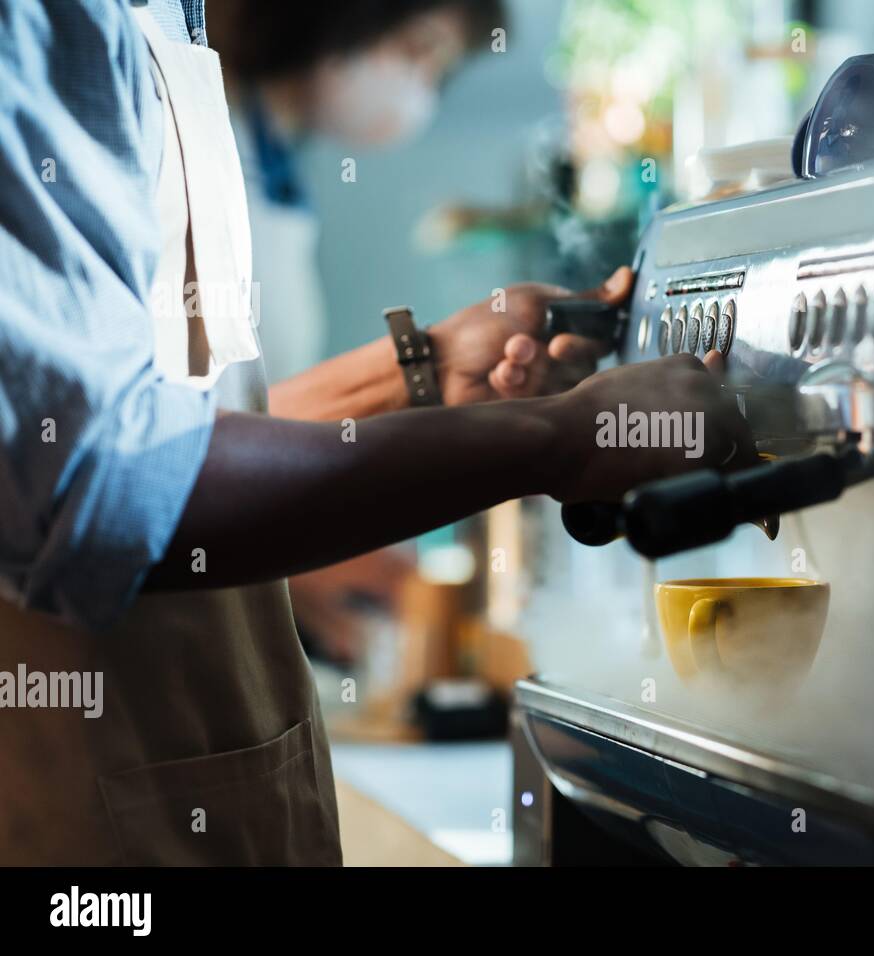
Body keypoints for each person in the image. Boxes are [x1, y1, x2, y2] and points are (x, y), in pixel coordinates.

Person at [0, 0, 753, 864]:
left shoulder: (167, 20)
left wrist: (423, 371)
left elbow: (182, 424)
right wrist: (567, 438)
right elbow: (97, 486)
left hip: (205, 792)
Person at [205, 0, 507, 663]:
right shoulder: (190, 139)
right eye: (418, 48)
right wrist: (293, 559)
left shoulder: (271, 159)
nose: (419, 89)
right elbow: (170, 453)